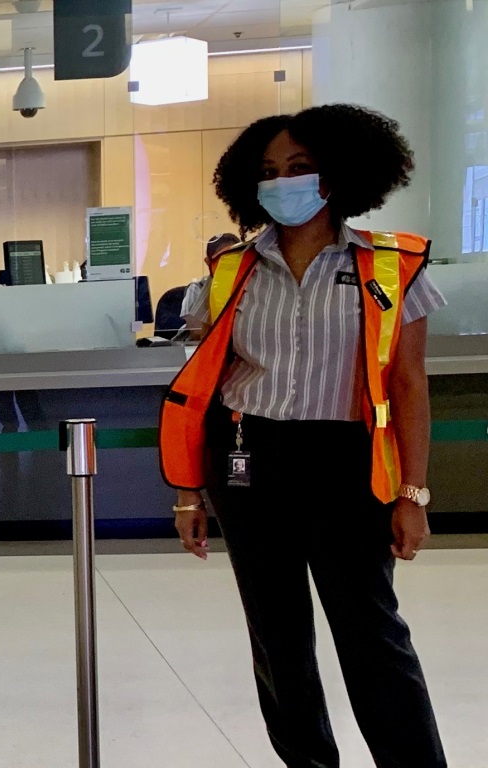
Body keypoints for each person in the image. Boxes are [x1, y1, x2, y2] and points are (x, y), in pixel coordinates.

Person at [159, 104, 447, 768]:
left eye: (299, 168)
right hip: (246, 458)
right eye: (268, 172)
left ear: (339, 175)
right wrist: (188, 495)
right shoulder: (231, 269)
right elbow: (204, 380)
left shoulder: (392, 265)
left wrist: (413, 494)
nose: (281, 183)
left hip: (346, 462)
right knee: (277, 639)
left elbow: (409, 385)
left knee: (371, 634)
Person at [171, 232, 242, 340]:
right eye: (222, 259)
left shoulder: (246, 284)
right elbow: (196, 332)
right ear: (208, 262)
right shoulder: (197, 288)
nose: (227, 264)